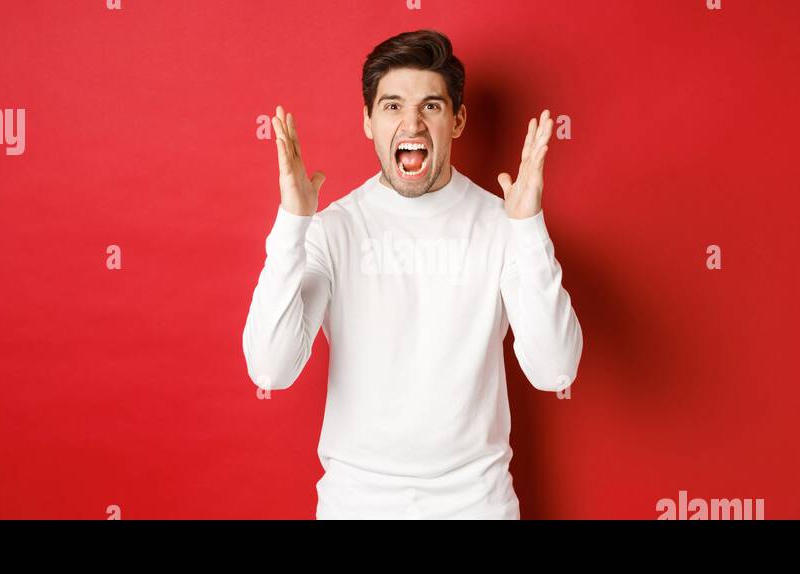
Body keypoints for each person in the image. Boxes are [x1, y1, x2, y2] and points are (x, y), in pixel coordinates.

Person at [242, 29, 583, 519]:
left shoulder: (501, 226)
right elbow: (271, 368)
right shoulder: (332, 228)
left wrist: (528, 228)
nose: (412, 124)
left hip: (477, 506)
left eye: (431, 106)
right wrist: (293, 223)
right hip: (355, 505)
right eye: (392, 106)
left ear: (458, 120)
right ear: (368, 122)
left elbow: (556, 370)